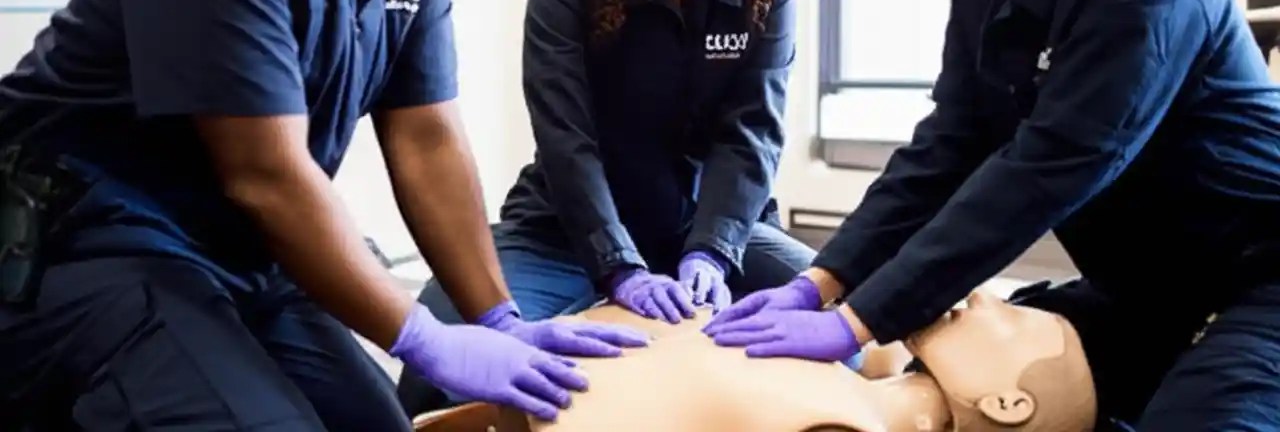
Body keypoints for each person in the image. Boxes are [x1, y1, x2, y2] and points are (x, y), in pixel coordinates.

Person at [0, 0, 648, 430]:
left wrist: (497, 317)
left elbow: (427, 138)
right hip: (102, 245)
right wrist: (422, 338)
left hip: (244, 253)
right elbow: (265, 174)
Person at [703, 0, 1280, 431]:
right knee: (970, 384)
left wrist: (856, 322)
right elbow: (945, 147)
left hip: (1257, 276)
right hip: (1151, 287)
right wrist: (819, 282)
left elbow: (1045, 169)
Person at [398, 0, 817, 414]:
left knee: (832, 332)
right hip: (567, 229)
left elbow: (753, 131)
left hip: (708, 228)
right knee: (444, 367)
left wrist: (712, 250)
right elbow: (566, 139)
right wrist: (617, 266)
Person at [417, 285, 1099, 432]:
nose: (980, 298)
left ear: (1009, 407)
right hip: (520, 389)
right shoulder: (859, 383)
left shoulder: (854, 424)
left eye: (1007, 318)